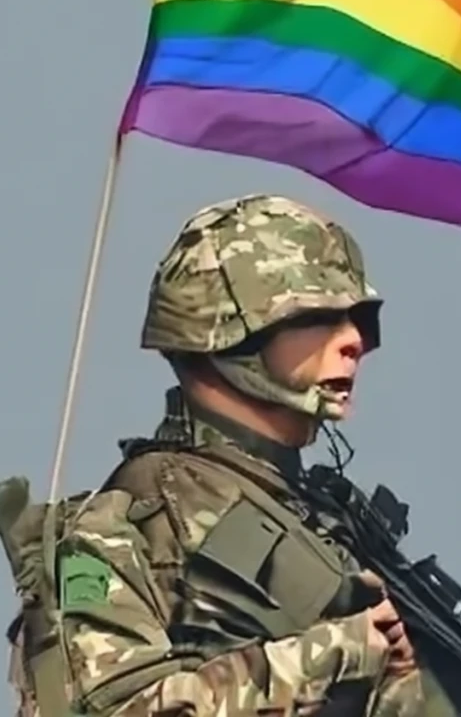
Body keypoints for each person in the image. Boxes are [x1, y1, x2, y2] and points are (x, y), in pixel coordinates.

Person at [57, 192, 429, 716]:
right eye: (320, 316)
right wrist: (340, 653)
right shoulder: (124, 524)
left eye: (359, 320)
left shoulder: (324, 523)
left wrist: (425, 682)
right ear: (226, 329)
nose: (354, 342)